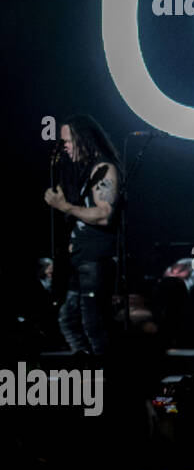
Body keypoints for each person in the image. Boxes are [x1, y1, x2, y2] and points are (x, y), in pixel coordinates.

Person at [44, 114, 122, 356]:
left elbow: (103, 214)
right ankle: (89, 369)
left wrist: (65, 207)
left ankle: (108, 379)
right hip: (80, 260)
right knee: (69, 319)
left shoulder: (105, 169)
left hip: (95, 261)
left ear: (84, 140)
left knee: (94, 325)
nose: (65, 147)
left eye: (68, 141)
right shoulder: (88, 171)